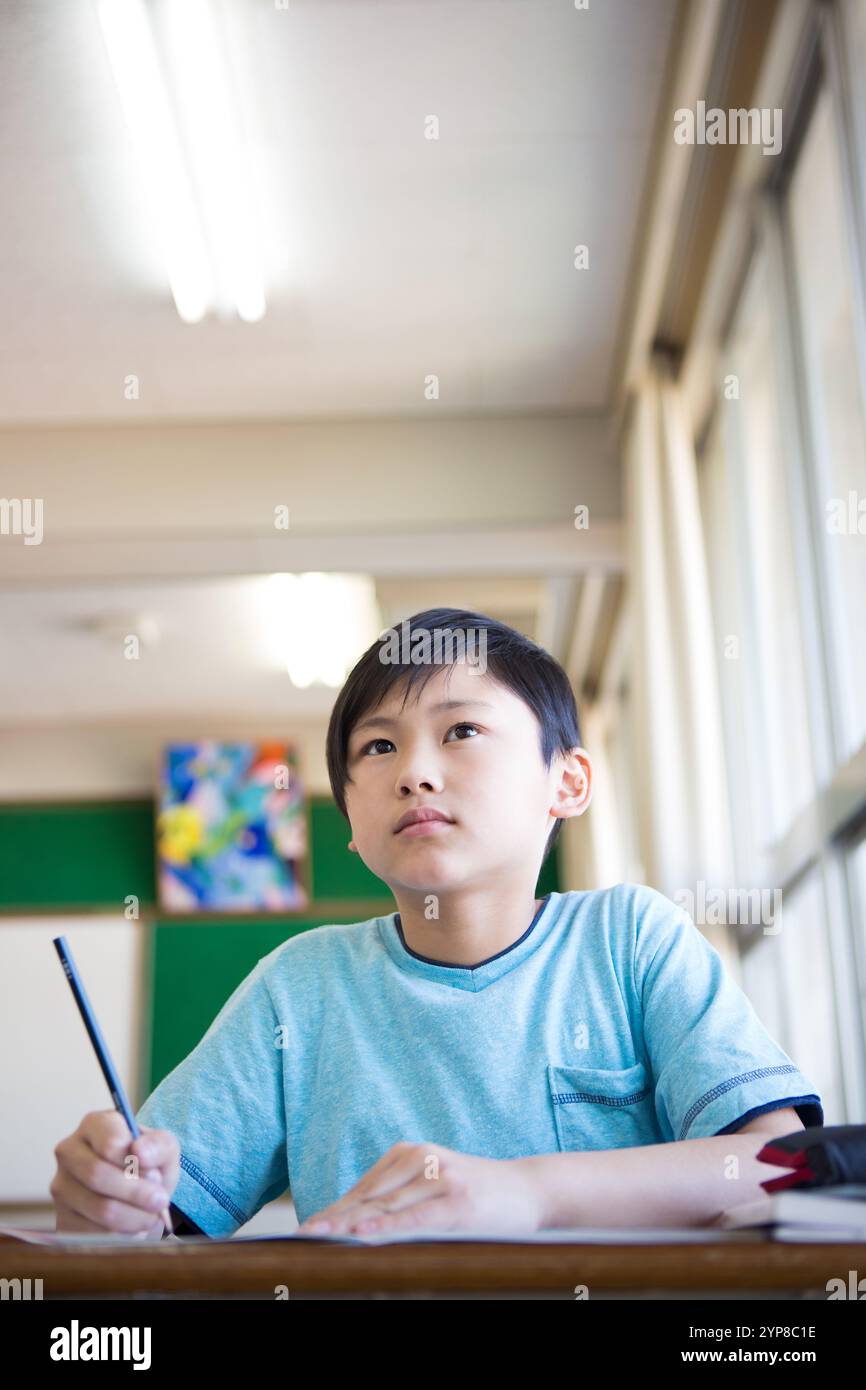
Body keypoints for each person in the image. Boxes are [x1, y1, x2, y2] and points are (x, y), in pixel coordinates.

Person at [51, 609, 823, 1238]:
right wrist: (113, 1203)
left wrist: (527, 1195)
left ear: (568, 779)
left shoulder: (630, 940)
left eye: (461, 731)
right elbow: (158, 1224)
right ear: (350, 821)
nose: (415, 771)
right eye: (379, 746)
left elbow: (777, 1164)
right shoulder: (302, 987)